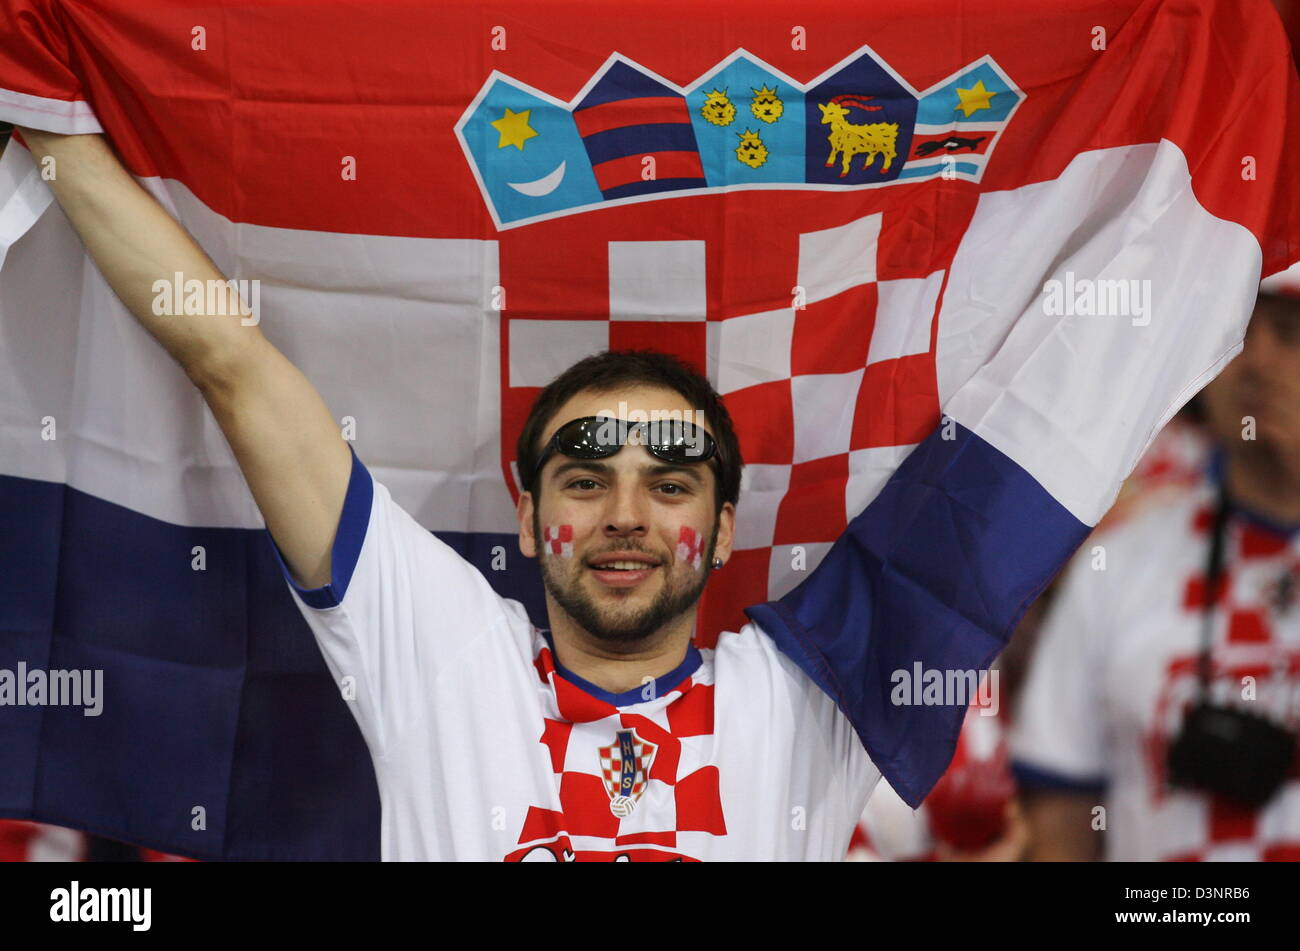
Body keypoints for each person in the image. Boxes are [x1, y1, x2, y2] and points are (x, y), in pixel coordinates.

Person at [15, 127, 884, 861]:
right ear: (532, 522)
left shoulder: (810, 702)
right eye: (584, 481)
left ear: (724, 527)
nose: (625, 516)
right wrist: (40, 105)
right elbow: (231, 366)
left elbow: (1005, 442)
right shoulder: (450, 660)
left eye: (668, 485)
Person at [1011, 273, 1300, 861]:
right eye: (1238, 330)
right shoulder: (1113, 566)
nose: (1257, 362)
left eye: (1291, 332)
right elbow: (1061, 818)